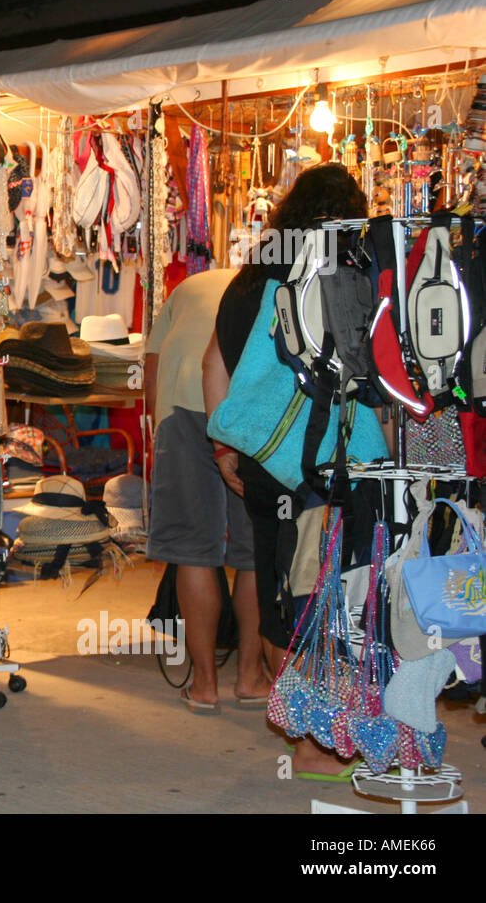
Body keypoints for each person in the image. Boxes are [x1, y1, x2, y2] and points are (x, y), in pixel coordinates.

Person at [202, 163, 371, 776]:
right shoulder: (345, 275)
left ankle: (310, 733)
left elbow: (211, 365)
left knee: (279, 588)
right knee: (321, 591)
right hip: (324, 459)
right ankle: (311, 741)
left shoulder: (248, 281)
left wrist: (225, 447)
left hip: (259, 459)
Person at [145, 267, 269, 713]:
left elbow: (153, 371)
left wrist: (160, 429)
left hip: (183, 402)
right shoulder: (264, 282)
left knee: (192, 548)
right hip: (247, 407)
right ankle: (251, 678)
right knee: (256, 550)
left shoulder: (184, 288)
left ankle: (205, 686)